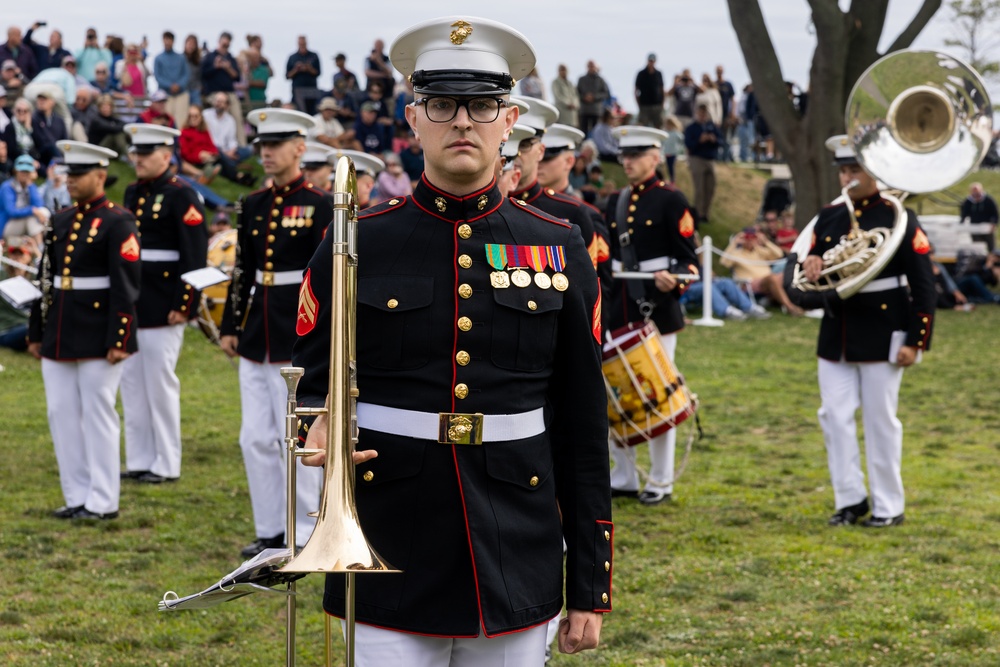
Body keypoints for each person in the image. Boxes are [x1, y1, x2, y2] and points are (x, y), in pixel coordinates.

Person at [292, 17, 612, 665]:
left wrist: (589, 584)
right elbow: (311, 377)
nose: (462, 121)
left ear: (510, 120)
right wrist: (318, 422)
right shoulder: (358, 239)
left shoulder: (558, 244)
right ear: (413, 119)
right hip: (386, 540)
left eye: (483, 105)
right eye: (442, 104)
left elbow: (582, 424)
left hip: (515, 542)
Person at [788, 134, 936, 528]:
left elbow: (923, 284)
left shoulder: (896, 214)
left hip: (884, 328)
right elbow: (805, 267)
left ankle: (889, 505)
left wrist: (916, 340)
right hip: (836, 331)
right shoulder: (830, 215)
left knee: (880, 420)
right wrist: (813, 263)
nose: (848, 178)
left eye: (856, 169)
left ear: (874, 171)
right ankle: (849, 499)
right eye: (844, 170)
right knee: (833, 417)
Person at [219, 108, 332, 558]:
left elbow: (326, 276)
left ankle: (304, 530)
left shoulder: (320, 203)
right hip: (257, 331)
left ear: (300, 148)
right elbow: (243, 270)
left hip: (298, 331)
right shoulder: (253, 204)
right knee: (255, 436)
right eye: (262, 146)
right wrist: (231, 324)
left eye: (276, 145)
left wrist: (323, 335)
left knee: (300, 435)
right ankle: (269, 528)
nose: (266, 153)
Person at [26, 139, 140, 521]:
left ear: (100, 175)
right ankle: (76, 494)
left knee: (98, 413)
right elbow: (47, 281)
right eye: (68, 173)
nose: (70, 180)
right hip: (60, 327)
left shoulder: (118, 220)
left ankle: (103, 500)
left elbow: (126, 286)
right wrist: (36, 332)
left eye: (78, 174)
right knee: (61, 413)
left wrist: (120, 337)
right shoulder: (60, 220)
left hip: (98, 330)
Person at [606, 125, 698, 506]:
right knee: (615, 393)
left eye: (637, 155)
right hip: (619, 304)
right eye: (625, 156)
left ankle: (660, 479)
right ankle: (625, 474)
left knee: (657, 394)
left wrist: (671, 283)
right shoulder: (616, 200)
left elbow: (689, 261)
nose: (628, 162)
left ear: (656, 156)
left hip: (657, 309)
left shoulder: (672, 200)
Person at [119, 124, 208, 484]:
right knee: (132, 383)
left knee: (159, 382)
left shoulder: (182, 195)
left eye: (146, 153)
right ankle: (140, 458)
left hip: (165, 299)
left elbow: (194, 253)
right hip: (134, 297)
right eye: (135, 153)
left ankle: (167, 462)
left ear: (167, 155)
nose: (138, 159)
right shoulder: (131, 192)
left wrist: (186, 303)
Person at [721, 226, 807, 316]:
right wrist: (734, 243)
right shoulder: (736, 254)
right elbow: (724, 262)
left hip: (770, 280)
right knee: (772, 278)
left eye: (752, 238)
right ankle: (790, 307)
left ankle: (804, 304)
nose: (750, 240)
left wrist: (765, 241)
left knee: (791, 274)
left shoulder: (759, 251)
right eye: (747, 238)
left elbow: (779, 254)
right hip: (750, 283)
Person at [201, 32, 245, 147]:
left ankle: (241, 147)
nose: (225, 44)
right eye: (224, 41)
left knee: (236, 118)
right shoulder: (210, 56)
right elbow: (203, 74)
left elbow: (237, 77)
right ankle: (212, 147)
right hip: (214, 93)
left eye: (228, 42)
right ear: (219, 40)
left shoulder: (231, 58)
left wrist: (228, 68)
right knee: (215, 120)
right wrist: (216, 67)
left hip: (229, 94)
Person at [684, 103, 721, 224]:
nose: (702, 116)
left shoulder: (711, 127)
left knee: (710, 187)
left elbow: (721, 140)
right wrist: (700, 140)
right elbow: (689, 144)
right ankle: (698, 214)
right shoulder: (691, 128)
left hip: (710, 159)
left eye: (704, 114)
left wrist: (713, 139)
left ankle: (706, 213)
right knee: (699, 188)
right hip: (697, 158)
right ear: (696, 113)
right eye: (700, 113)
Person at [0, 154, 49, 243]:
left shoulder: (30, 186)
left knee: (44, 213)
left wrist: (30, 184)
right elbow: (11, 211)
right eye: (22, 170)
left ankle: (41, 249)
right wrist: (32, 210)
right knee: (32, 218)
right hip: (6, 227)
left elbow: (39, 205)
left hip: (24, 226)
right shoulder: (7, 187)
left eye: (27, 171)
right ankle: (41, 249)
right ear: (16, 171)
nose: (24, 173)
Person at [153, 31, 191, 130]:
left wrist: (179, 85)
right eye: (165, 39)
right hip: (165, 95)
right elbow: (158, 77)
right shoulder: (158, 58)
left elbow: (186, 75)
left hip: (181, 94)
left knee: (181, 121)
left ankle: (180, 143)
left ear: (173, 41)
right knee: (167, 121)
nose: (167, 42)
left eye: (169, 39)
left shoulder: (181, 58)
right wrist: (169, 85)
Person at [286, 35, 320, 115]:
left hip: (312, 91)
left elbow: (318, 72)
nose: (302, 45)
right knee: (300, 113)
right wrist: (296, 69)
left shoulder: (314, 56)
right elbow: (287, 76)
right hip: (297, 91)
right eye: (300, 44)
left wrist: (309, 68)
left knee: (313, 113)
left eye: (303, 44)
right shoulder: (292, 57)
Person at [960, 182, 998, 251]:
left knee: (991, 246)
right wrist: (962, 223)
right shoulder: (968, 201)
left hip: (987, 226)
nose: (976, 195)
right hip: (975, 227)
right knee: (977, 246)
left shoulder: (988, 200)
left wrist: (994, 224)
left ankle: (992, 260)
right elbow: (964, 214)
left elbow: (995, 213)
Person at [576, 60, 609, 137]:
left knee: (596, 131)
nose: (591, 68)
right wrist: (584, 97)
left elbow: (605, 93)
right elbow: (577, 93)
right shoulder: (581, 79)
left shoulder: (601, 80)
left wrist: (594, 97)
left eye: (593, 66)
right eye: (589, 66)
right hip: (584, 110)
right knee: (583, 131)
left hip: (596, 111)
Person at [634, 53, 664, 129]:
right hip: (644, 105)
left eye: (652, 61)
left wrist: (662, 104)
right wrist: (639, 104)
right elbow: (636, 90)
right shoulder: (641, 74)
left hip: (657, 105)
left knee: (658, 126)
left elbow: (662, 89)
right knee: (642, 126)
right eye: (650, 61)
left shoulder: (658, 74)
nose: (651, 62)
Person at [550, 64, 579, 130]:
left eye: (564, 70)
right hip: (562, 112)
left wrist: (574, 104)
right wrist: (568, 103)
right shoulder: (555, 82)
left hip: (572, 114)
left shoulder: (570, 83)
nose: (563, 72)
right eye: (561, 70)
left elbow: (575, 96)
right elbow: (557, 96)